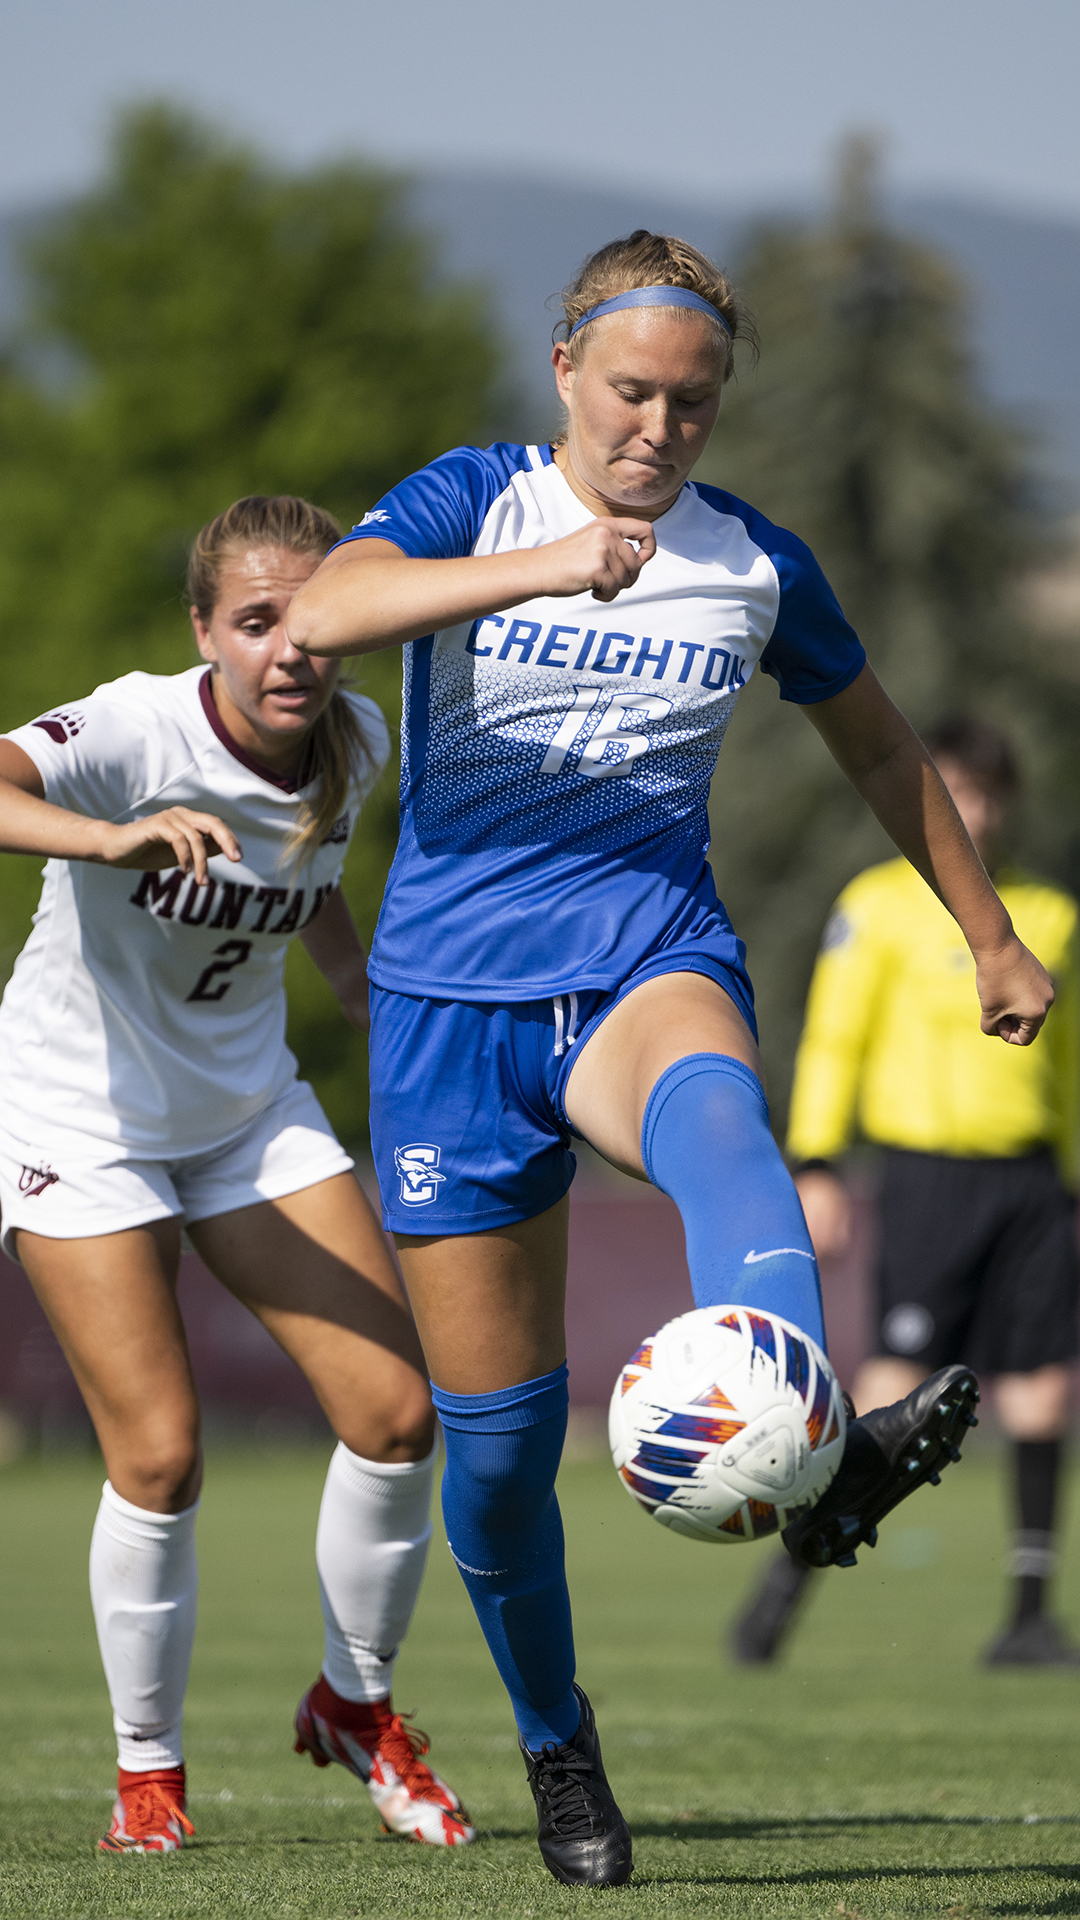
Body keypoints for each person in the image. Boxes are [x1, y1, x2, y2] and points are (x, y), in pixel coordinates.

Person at [285, 232, 1051, 1889]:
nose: (658, 427)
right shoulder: (470, 500)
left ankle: (820, 1452)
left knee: (729, 1140)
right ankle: (563, 1750)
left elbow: (883, 747)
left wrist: (988, 935)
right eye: (631, 390)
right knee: (490, 1466)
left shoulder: (753, 565)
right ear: (565, 366)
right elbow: (327, 606)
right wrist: (543, 572)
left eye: (693, 405)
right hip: (445, 1010)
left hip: (643, 960)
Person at [0, 495, 474, 1855]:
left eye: (310, 618)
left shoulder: (361, 740)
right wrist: (107, 836)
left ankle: (357, 1706)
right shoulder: (140, 728)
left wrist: (353, 980)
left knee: (395, 1417)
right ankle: (148, 1776)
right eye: (255, 620)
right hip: (78, 1116)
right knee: (159, 1455)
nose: (288, 648)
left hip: (247, 1111)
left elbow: (301, 867)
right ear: (204, 629)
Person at [731, 716, 1080, 1668]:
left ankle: (1027, 1617)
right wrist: (819, 1161)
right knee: (891, 1385)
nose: (972, 810)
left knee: (1043, 1395)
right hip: (927, 1177)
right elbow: (836, 1037)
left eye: (986, 793)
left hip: (1036, 1185)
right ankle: (783, 1590)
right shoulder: (879, 904)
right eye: (954, 790)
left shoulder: (1050, 915)